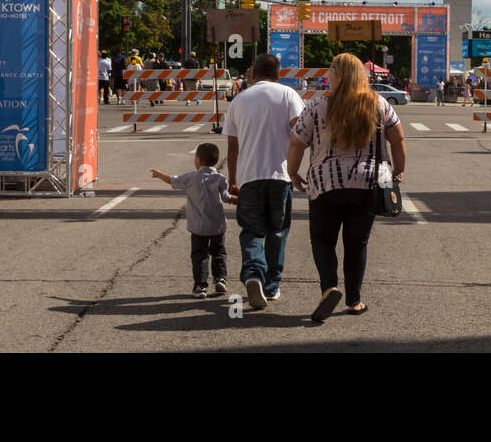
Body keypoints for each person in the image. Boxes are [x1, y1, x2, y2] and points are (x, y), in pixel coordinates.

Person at [288, 53, 406, 322]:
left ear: (339, 76)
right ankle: (354, 301)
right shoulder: (380, 104)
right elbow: (397, 139)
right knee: (356, 243)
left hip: (324, 183)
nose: (327, 75)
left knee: (322, 239)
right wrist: (398, 170)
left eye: (330, 70)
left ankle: (329, 288)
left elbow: (297, 143)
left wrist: (292, 173)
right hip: (367, 185)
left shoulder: (316, 106)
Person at [222, 53, 306, 310]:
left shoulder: (239, 100)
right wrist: (294, 171)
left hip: (249, 178)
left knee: (251, 231)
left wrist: (233, 179)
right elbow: (300, 134)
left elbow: (232, 147)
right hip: (280, 176)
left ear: (253, 74)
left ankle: (252, 274)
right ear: (278, 74)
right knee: (277, 232)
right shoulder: (288, 95)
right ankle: (271, 286)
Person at [151, 142, 236, 298]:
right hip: (217, 225)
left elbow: (172, 180)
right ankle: (220, 280)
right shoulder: (219, 178)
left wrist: (158, 173)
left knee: (200, 255)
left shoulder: (190, 177)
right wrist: (240, 199)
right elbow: (226, 197)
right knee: (219, 252)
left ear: (198, 159)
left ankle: (200, 286)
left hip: (198, 227)